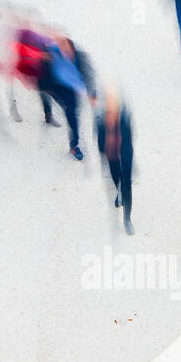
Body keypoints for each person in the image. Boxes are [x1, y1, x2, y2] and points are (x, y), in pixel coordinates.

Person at [38, 31, 97, 161]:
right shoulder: (50, 52)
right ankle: (48, 112)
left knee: (72, 115)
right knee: (45, 95)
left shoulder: (80, 57)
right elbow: (41, 68)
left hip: (69, 91)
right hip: (55, 87)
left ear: (71, 46)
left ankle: (74, 145)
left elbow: (89, 75)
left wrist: (92, 94)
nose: (62, 49)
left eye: (65, 45)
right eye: (59, 44)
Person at [95, 85, 134, 235]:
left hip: (124, 154)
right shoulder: (100, 122)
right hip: (111, 156)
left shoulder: (124, 118)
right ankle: (118, 190)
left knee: (127, 184)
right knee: (115, 178)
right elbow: (99, 144)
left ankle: (127, 219)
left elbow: (129, 138)